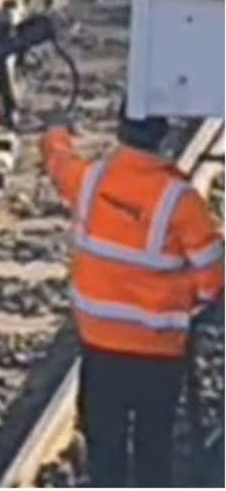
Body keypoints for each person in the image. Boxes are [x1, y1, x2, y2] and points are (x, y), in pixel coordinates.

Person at [41, 105, 224, 487]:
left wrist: (57, 130)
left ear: (120, 129)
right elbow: (212, 281)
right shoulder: (181, 201)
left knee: (105, 449)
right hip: (158, 352)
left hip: (100, 345)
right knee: (153, 449)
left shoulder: (92, 181)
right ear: (164, 135)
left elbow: (59, 163)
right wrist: (187, 300)